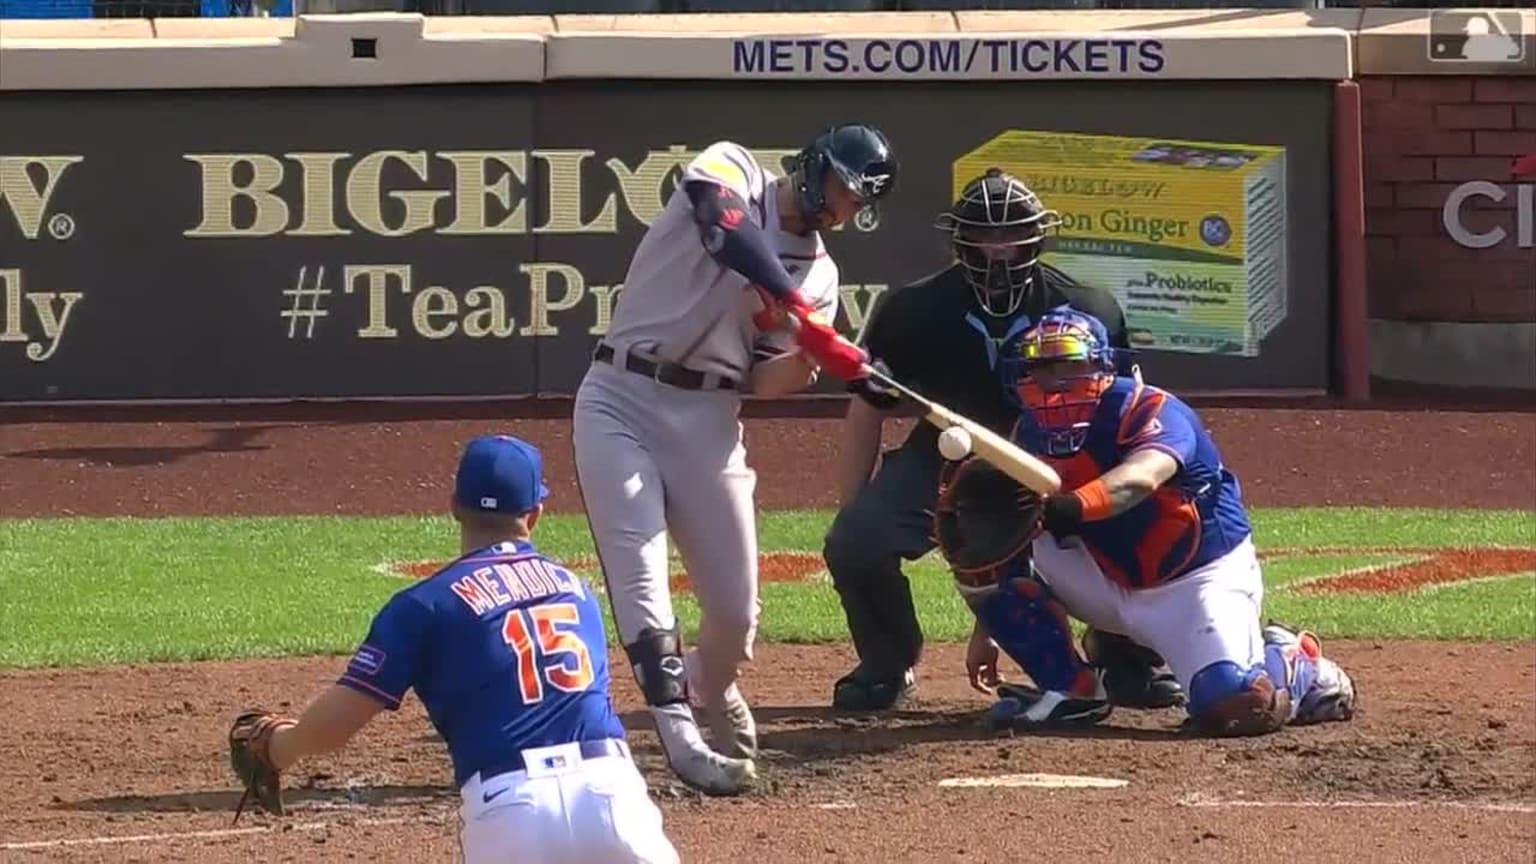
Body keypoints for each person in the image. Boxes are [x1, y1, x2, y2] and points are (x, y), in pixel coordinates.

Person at [571, 124, 897, 795]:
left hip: (708, 419)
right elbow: (721, 225)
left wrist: (826, 361)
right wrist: (798, 310)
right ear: (815, 167)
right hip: (620, 396)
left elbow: (764, 382)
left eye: (857, 203)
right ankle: (679, 736)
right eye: (843, 189)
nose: (843, 209)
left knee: (736, 613)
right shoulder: (736, 169)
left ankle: (709, 686)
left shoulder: (823, 272)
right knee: (640, 573)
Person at [822, 167, 1181, 712]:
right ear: (959, 239)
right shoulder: (914, 309)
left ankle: (1123, 656)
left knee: (1131, 523)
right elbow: (869, 406)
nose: (997, 250)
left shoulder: (1089, 307)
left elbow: (1124, 408)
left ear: (1038, 236)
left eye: (1010, 234)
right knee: (856, 541)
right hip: (949, 451)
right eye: (984, 235)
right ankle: (887, 664)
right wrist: (851, 508)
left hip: (1066, 453)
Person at [224, 434, 680, 864]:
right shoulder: (577, 592)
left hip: (510, 810)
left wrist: (280, 747)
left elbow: (338, 724)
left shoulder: (423, 606)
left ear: (454, 507)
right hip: (613, 797)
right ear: (535, 514)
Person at [953, 307, 1357, 734]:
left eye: (1070, 365)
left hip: (1194, 582)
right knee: (981, 542)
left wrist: (1067, 507)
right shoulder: (1027, 431)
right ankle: (1071, 689)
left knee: (1236, 705)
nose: (1056, 382)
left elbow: (1139, 479)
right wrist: (990, 631)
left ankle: (1295, 663)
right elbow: (1002, 539)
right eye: (1042, 369)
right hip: (1104, 578)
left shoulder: (1148, 410)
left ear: (1103, 367)